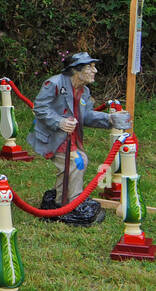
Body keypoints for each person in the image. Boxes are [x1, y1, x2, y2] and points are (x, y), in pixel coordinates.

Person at [29, 52, 131, 225]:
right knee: (77, 163)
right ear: (76, 70)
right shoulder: (54, 84)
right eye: (90, 67)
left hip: (72, 138)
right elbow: (39, 108)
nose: (95, 71)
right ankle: (69, 205)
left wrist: (110, 119)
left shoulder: (83, 91)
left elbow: (86, 115)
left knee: (75, 164)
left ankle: (64, 201)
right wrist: (59, 121)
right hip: (52, 136)